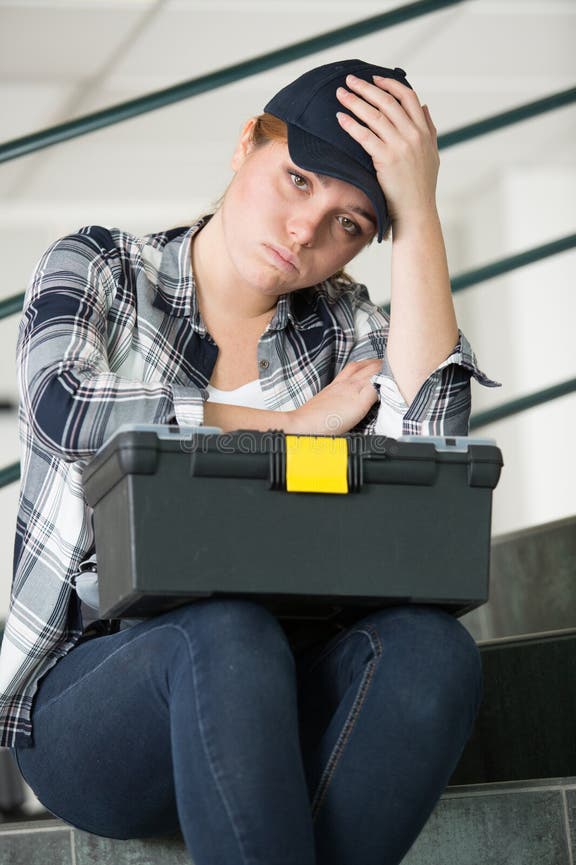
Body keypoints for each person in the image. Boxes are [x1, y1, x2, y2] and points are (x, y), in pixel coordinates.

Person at [0, 59, 499, 865]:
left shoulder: (351, 331)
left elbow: (431, 473)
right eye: (298, 179)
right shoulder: (102, 268)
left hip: (282, 695)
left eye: (353, 223)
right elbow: (68, 409)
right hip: (92, 700)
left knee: (432, 649)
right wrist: (292, 429)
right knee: (226, 633)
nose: (308, 230)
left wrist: (420, 210)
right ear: (245, 145)